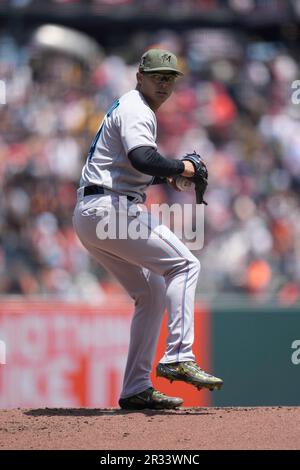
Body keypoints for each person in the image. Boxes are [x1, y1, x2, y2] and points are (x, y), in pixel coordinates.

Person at [73, 49, 223, 410]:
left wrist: (171, 172)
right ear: (139, 76)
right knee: (184, 265)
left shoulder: (130, 107)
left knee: (153, 291)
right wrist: (183, 167)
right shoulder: (137, 107)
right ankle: (178, 355)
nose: (164, 82)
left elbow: (134, 165)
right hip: (109, 208)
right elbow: (142, 157)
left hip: (93, 212)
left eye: (169, 78)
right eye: (157, 75)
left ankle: (136, 387)